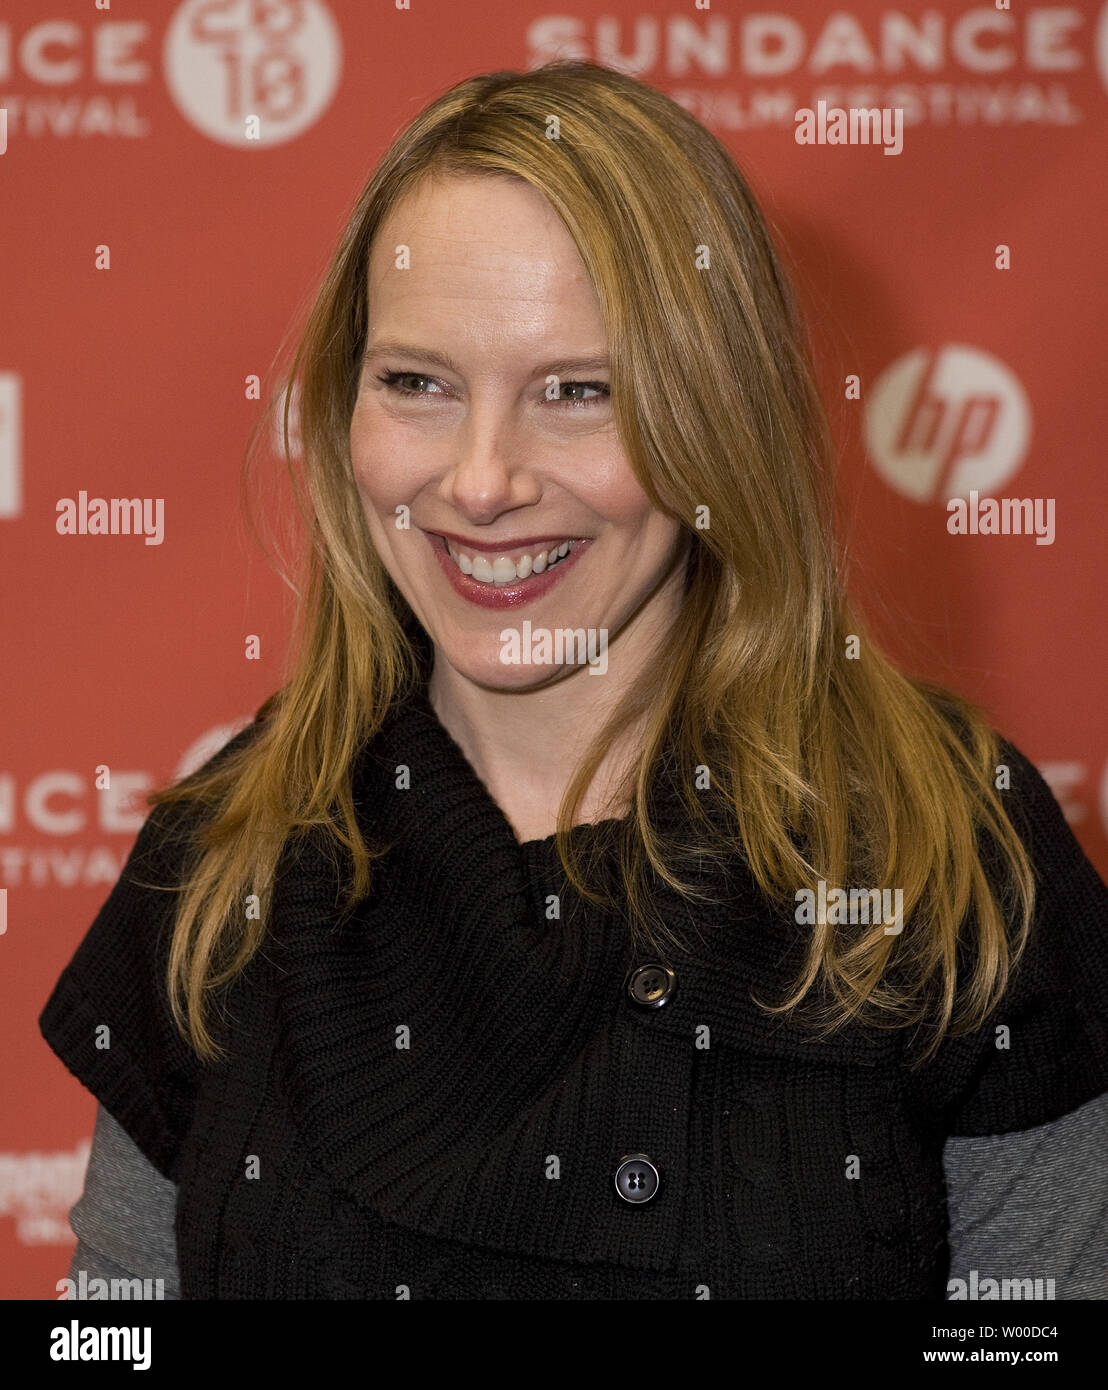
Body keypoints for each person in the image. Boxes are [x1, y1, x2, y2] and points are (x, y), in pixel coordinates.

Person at [40, 59, 1108, 1300]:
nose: (483, 480)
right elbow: (106, 1327)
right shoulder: (227, 848)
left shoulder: (949, 846)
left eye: (578, 391)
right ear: (343, 408)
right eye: (418, 384)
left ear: (721, 412)